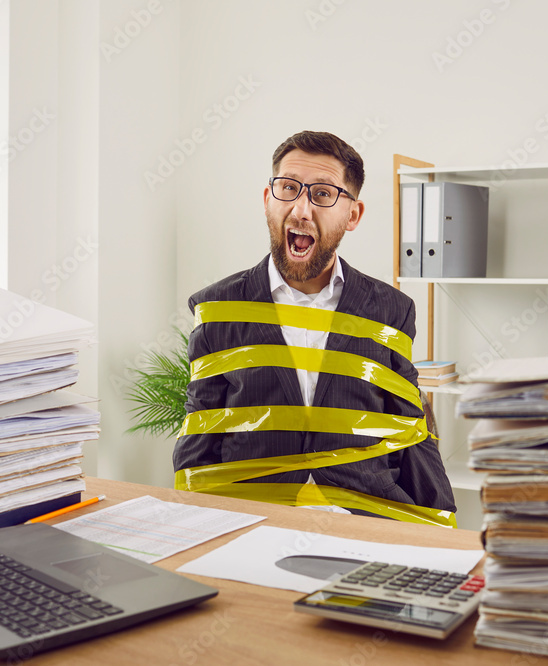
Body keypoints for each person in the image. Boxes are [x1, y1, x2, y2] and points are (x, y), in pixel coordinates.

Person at [172, 130, 456, 520]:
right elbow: (201, 430)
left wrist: (443, 521)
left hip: (364, 515)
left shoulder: (391, 310)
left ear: (353, 215)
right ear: (268, 198)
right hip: (252, 516)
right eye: (288, 188)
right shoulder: (218, 308)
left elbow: (409, 428)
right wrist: (188, 518)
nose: (301, 210)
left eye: (322, 194)